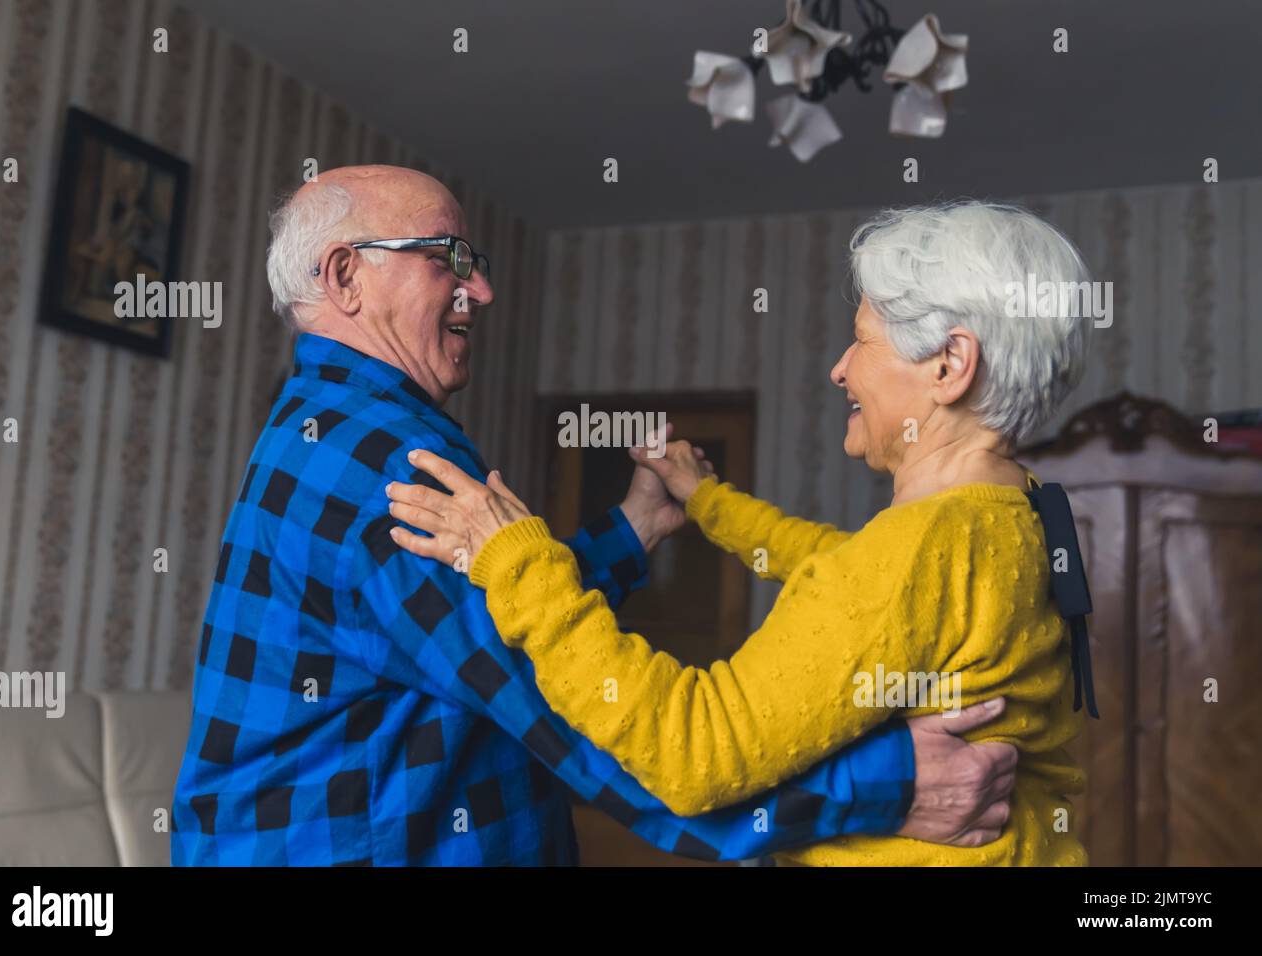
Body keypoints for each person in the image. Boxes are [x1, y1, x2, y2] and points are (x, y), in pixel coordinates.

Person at [171, 169, 1016, 865]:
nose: (484, 288)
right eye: (447, 258)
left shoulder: (339, 425)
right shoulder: (390, 467)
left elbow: (506, 633)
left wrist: (635, 528)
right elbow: (594, 728)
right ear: (346, 276)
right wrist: (890, 786)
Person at [385, 200, 1091, 865]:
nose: (840, 367)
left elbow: (694, 752)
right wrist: (708, 501)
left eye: (863, 339)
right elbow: (839, 566)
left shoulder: (918, 552)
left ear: (950, 365)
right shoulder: (1013, 515)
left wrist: (518, 563)